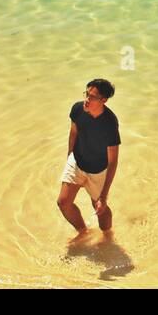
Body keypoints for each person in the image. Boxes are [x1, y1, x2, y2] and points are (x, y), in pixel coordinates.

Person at [58, 79, 120, 234]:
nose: (87, 99)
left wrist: (104, 196)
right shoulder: (78, 109)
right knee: (63, 202)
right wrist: (69, 159)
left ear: (103, 100)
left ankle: (108, 237)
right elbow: (73, 133)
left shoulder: (110, 123)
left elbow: (113, 161)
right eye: (86, 94)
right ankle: (83, 232)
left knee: (99, 207)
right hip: (77, 161)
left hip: (98, 170)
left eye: (92, 97)